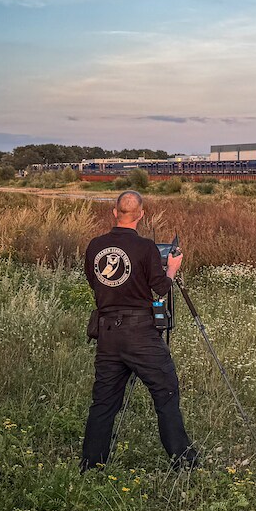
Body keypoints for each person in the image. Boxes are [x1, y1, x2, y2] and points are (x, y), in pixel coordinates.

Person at [80, 190, 198, 471]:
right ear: (142, 214)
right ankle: (183, 462)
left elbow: (94, 283)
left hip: (107, 333)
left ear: (115, 213)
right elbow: (159, 288)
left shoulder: (95, 246)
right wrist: (171, 269)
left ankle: (91, 464)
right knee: (165, 391)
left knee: (104, 401)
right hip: (140, 333)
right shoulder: (145, 248)